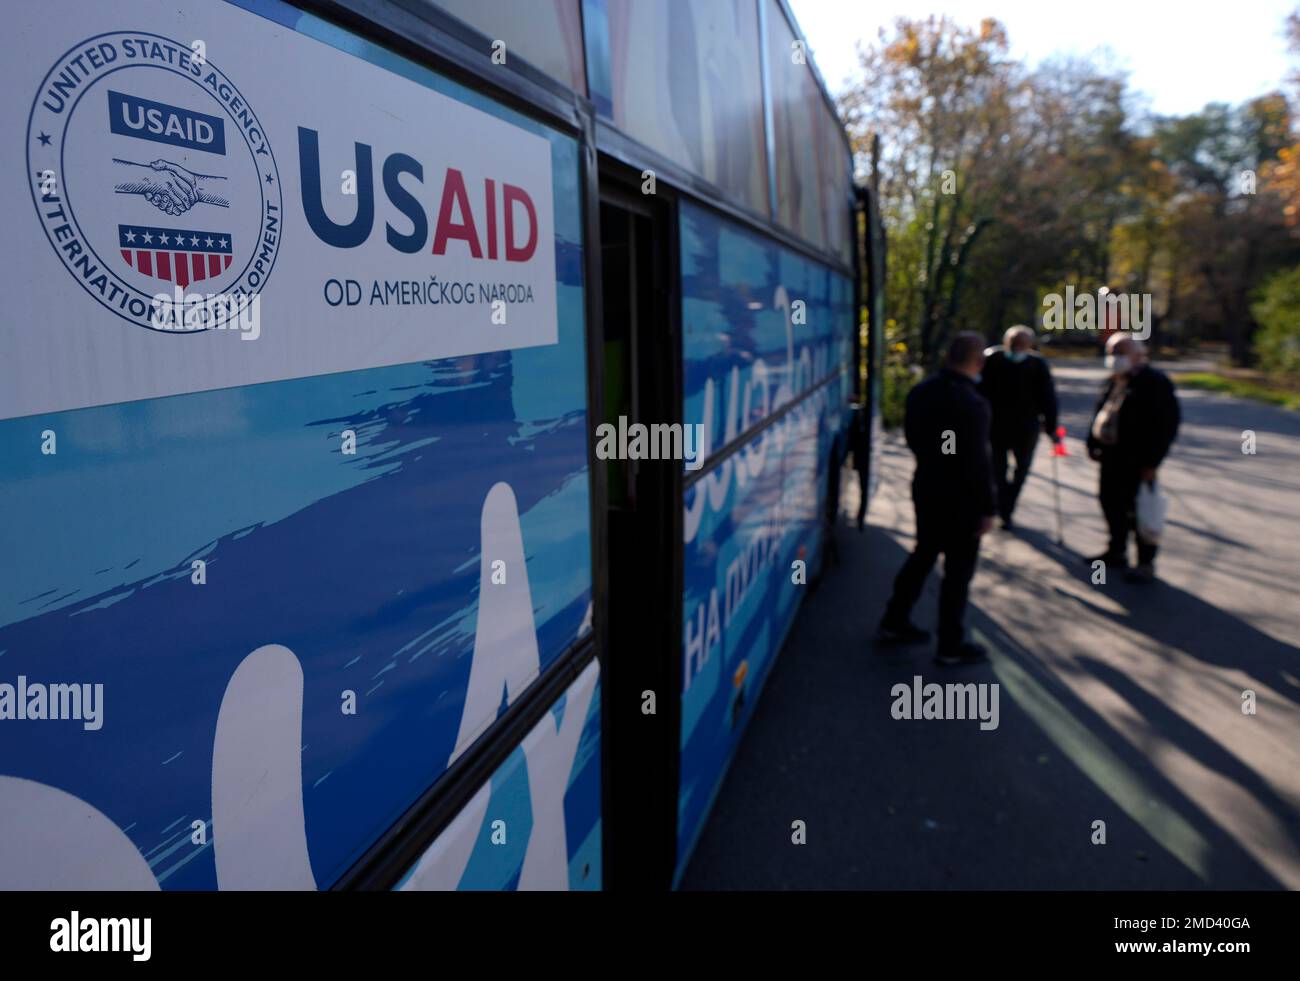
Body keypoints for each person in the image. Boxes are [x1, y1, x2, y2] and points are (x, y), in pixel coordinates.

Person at [878, 333, 997, 665]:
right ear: (977, 362)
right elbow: (977, 461)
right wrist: (987, 508)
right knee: (958, 572)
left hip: (928, 487)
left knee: (924, 553)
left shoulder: (923, 392)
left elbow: (913, 436)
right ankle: (950, 645)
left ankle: (894, 620)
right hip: (961, 500)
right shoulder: (971, 404)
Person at [1085, 333, 1180, 584]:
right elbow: (1102, 412)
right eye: (1111, 352)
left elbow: (1166, 426)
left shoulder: (1154, 383)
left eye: (1121, 352)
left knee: (1140, 510)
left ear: (1139, 355)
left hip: (1138, 460)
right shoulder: (1114, 380)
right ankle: (1116, 550)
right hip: (1111, 457)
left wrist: (1152, 462)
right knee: (1110, 502)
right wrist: (1092, 442)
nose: (1115, 358)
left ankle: (1145, 562)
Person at [977, 325, 1059, 529]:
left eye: (1022, 344)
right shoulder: (993, 360)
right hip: (996, 427)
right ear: (1006, 343)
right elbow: (979, 393)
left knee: (1021, 470)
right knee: (997, 470)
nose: (1017, 348)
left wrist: (1051, 428)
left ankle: (1007, 507)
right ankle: (1003, 508)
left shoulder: (1037, 365)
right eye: (1014, 344)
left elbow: (1048, 399)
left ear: (1030, 345)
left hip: (1026, 429)